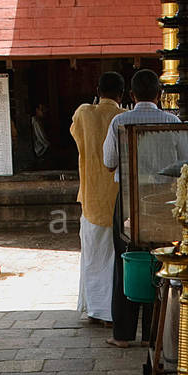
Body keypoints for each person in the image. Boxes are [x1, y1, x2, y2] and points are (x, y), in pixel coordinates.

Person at [103, 69, 179, 348]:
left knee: (126, 259)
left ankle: (123, 333)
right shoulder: (172, 121)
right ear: (160, 94)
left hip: (128, 199)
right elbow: (185, 162)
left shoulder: (119, 121)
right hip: (163, 198)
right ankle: (153, 331)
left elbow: (109, 161)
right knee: (161, 259)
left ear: (132, 95)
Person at [70, 72, 125, 326]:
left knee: (93, 255)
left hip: (91, 197)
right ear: (122, 94)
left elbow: (74, 129)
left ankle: (94, 309)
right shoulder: (122, 116)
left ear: (97, 90)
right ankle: (110, 312)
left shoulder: (84, 113)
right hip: (118, 201)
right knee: (114, 257)